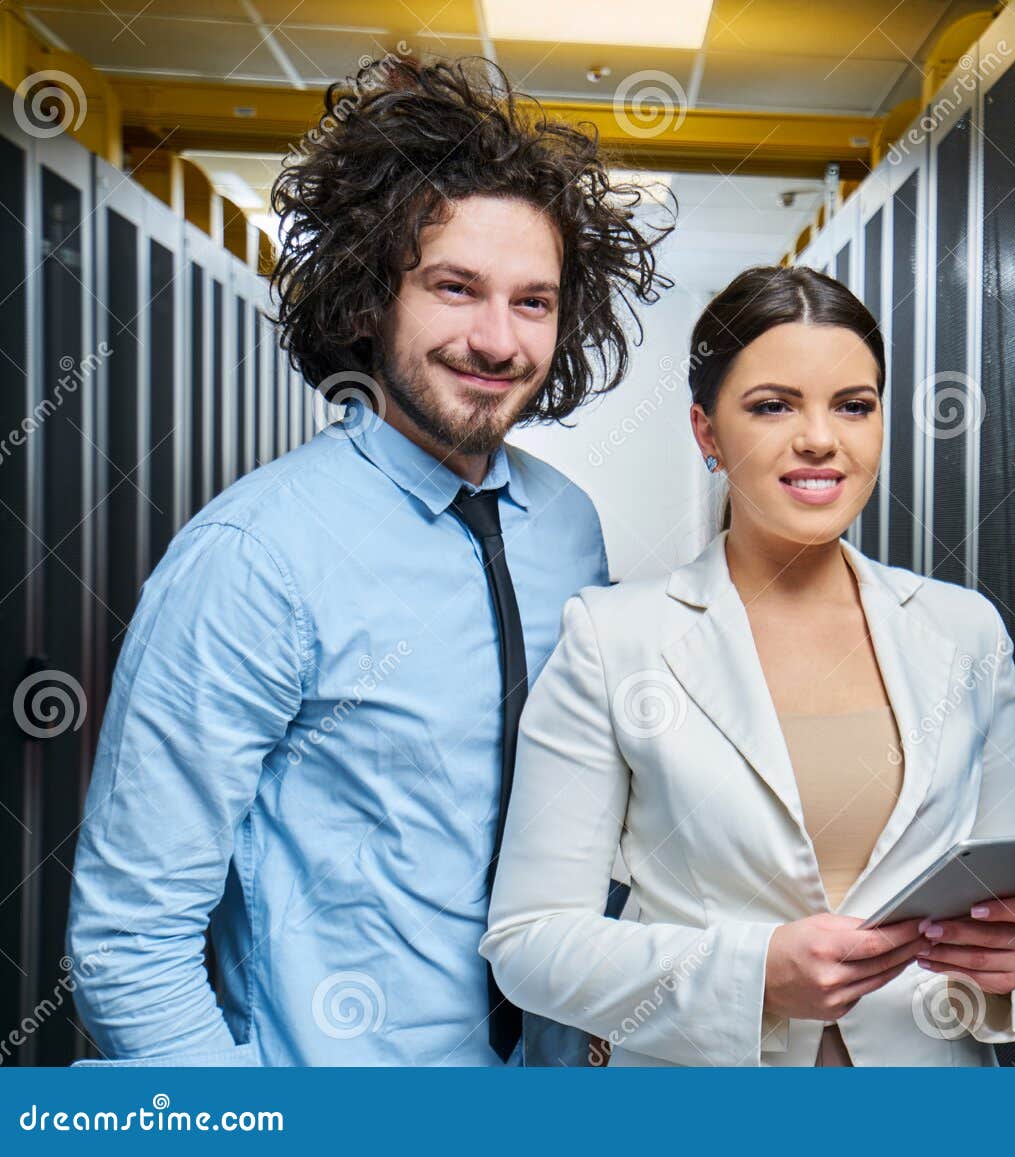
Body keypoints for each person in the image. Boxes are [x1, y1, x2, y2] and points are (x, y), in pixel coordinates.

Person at [65, 55, 666, 1066]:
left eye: (532, 301)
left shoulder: (568, 526)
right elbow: (129, 940)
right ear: (367, 300)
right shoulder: (254, 559)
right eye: (453, 287)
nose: (495, 338)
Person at [480, 265, 1015, 1066]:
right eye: (773, 405)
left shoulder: (964, 630)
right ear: (706, 432)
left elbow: (1013, 867)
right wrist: (754, 976)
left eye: (853, 406)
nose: (820, 436)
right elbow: (529, 942)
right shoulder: (615, 638)